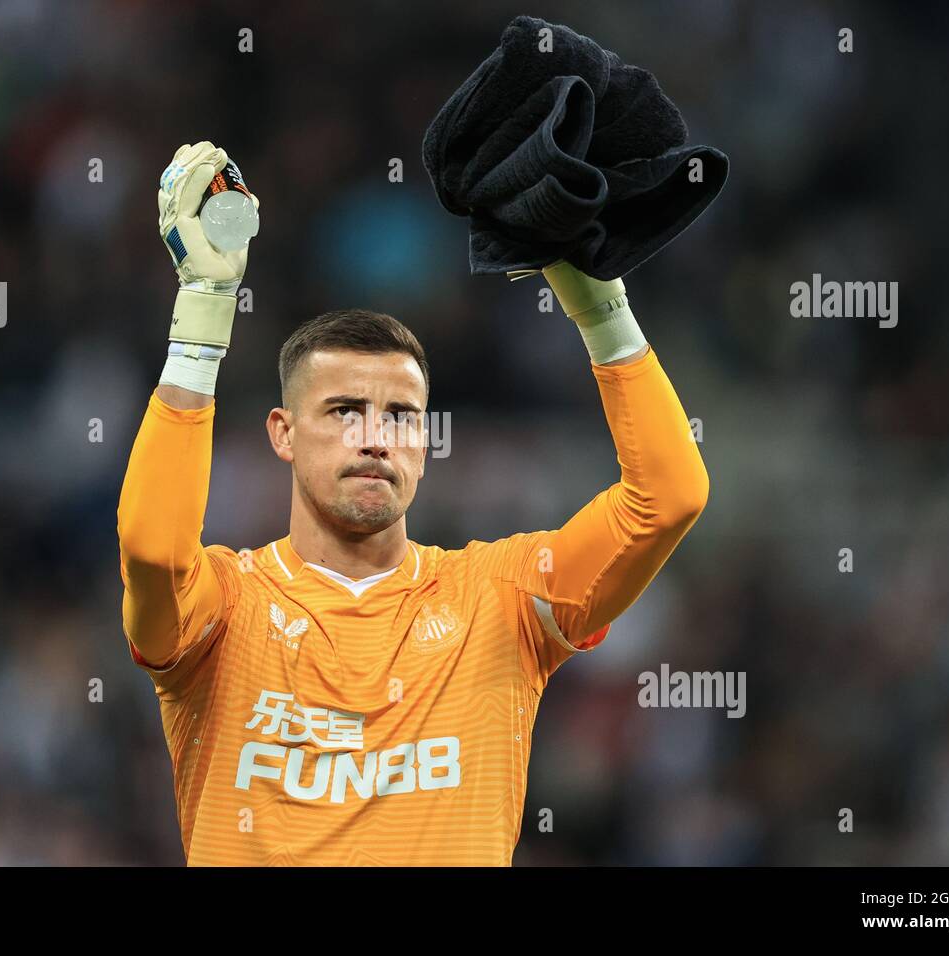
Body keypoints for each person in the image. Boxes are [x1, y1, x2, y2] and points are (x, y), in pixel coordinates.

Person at [117, 141, 709, 865]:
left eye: (400, 415)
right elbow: (151, 546)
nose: (374, 438)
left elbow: (670, 497)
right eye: (342, 410)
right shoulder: (221, 609)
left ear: (425, 442)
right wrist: (203, 316)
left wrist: (601, 308)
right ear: (283, 434)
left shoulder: (504, 600)